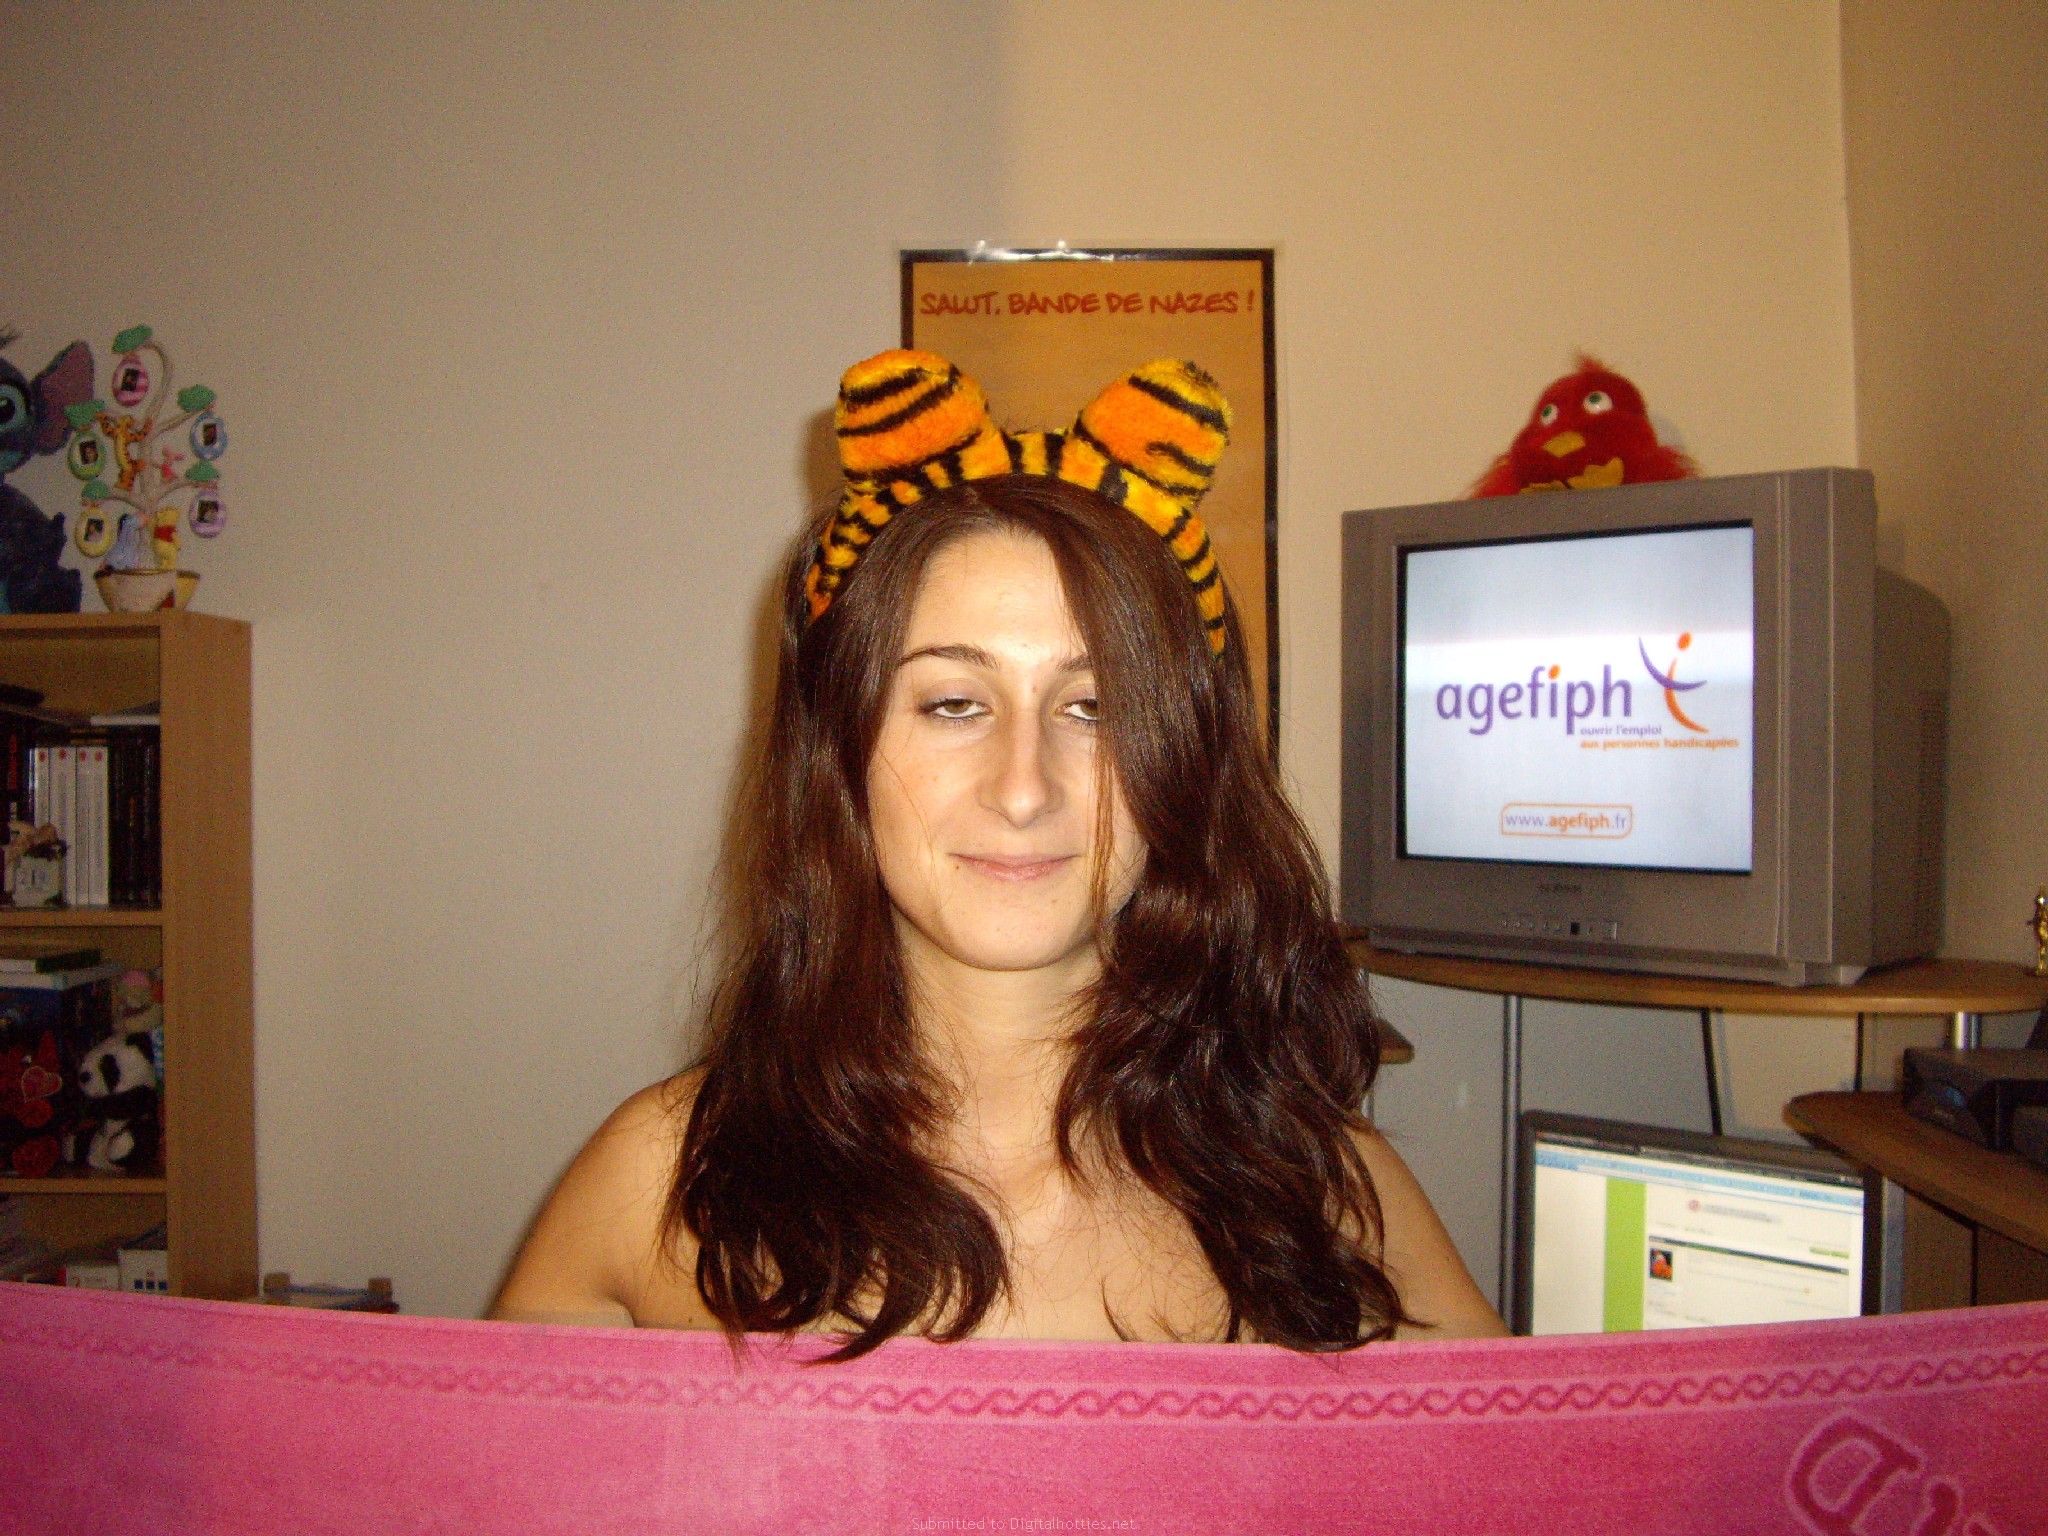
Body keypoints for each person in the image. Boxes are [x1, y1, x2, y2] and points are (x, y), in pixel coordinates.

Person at [492, 351, 1504, 1354]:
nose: (1023, 789)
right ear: (838, 751)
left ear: (1184, 763)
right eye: (952, 704)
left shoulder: (1333, 1201)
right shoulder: (657, 1184)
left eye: (1095, 707)